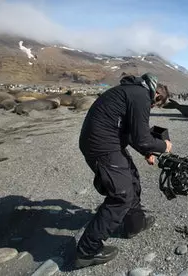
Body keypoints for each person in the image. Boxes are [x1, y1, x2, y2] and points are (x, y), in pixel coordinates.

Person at [74, 73, 172, 269]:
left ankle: (134, 223)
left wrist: (146, 151)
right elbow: (142, 137)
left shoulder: (133, 91)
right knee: (121, 195)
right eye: (156, 105)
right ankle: (86, 251)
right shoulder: (141, 96)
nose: (153, 108)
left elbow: (130, 132)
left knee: (132, 179)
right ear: (157, 96)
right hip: (102, 147)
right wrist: (164, 146)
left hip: (107, 143)